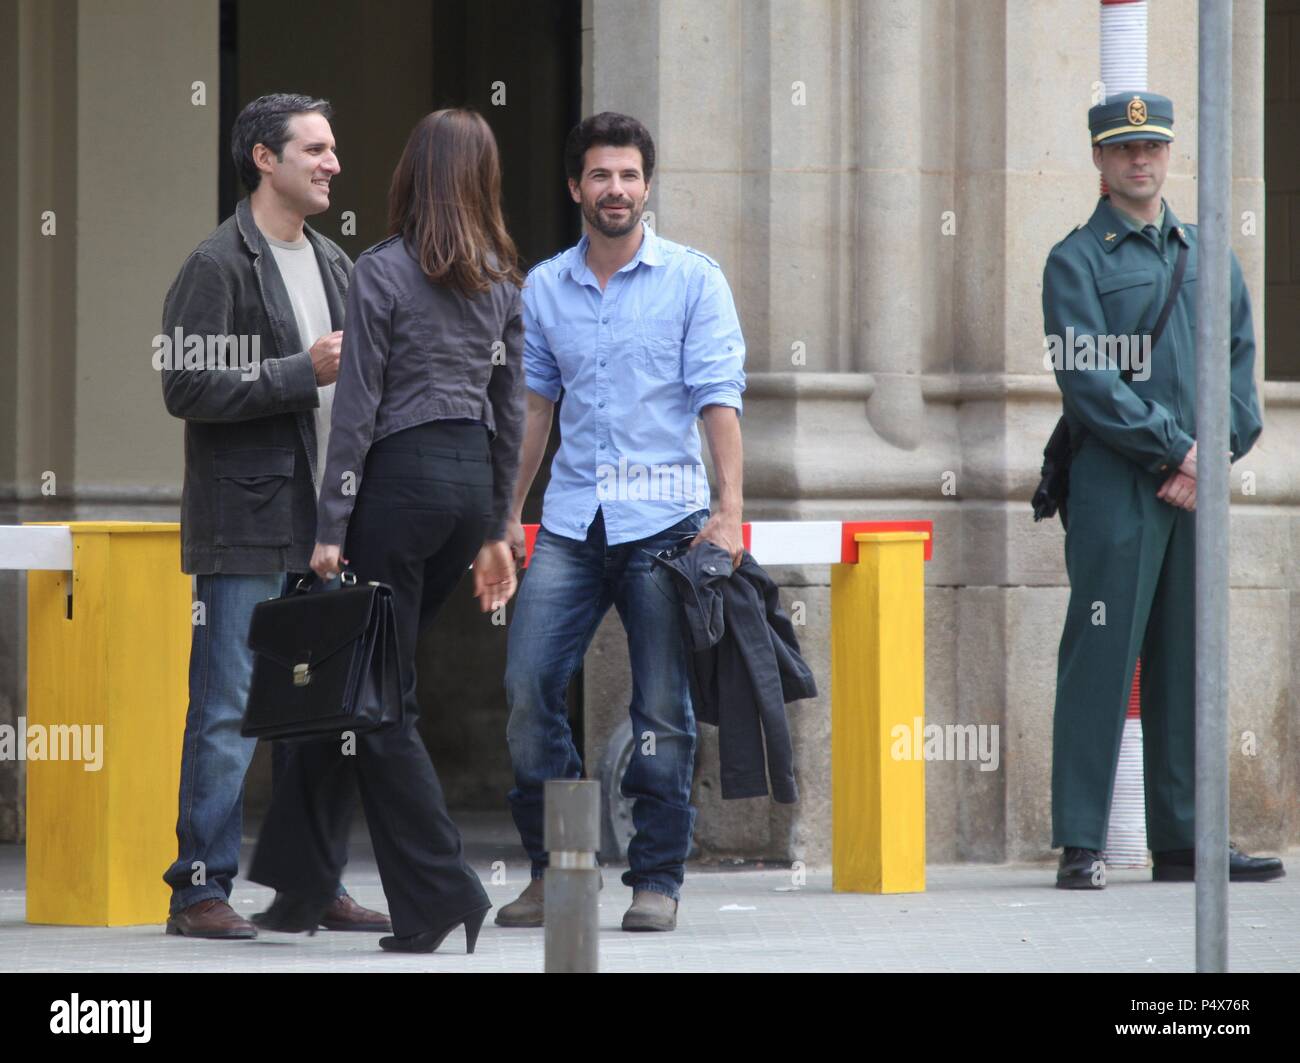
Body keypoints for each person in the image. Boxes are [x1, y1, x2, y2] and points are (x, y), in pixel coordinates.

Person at [246, 108, 525, 954]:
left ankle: (443, 893)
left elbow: (359, 409)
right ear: (482, 179)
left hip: (396, 490)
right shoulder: (503, 279)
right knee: (351, 679)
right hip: (467, 487)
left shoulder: (382, 270)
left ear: (413, 173)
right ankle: (299, 887)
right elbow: (510, 410)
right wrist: (499, 526)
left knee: (380, 702)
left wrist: (332, 526)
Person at [496, 112, 747, 932]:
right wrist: (507, 515)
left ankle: (656, 877)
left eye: (630, 175)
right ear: (576, 188)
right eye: (600, 176)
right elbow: (535, 410)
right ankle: (556, 870)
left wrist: (729, 512)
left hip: (666, 525)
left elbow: (719, 403)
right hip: (571, 522)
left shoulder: (694, 280)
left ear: (648, 184)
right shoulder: (544, 287)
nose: (617, 189)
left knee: (662, 710)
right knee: (530, 688)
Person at [160, 93, 389, 937]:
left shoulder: (337, 263)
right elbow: (184, 385)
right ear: (265, 158)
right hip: (247, 524)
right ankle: (197, 890)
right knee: (225, 710)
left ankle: (308, 882)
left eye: (332, 149)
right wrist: (301, 371)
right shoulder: (217, 264)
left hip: (326, 526)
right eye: (316, 149)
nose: (334, 163)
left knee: (320, 716)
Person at [1044, 92, 1284, 888]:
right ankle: (1081, 837)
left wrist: (1212, 453)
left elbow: (1240, 367)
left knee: (1188, 659)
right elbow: (1088, 380)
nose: (1139, 160)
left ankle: (1185, 839)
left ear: (1169, 152)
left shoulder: (1209, 253)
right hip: (1118, 484)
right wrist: (1173, 451)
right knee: (1101, 655)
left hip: (1194, 485)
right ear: (1099, 161)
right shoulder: (1076, 259)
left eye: (1151, 147)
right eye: (1122, 149)